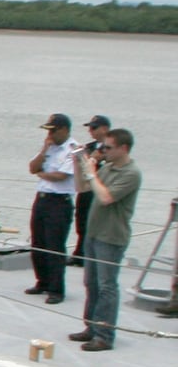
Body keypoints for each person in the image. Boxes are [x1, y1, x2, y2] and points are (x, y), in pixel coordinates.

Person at [70, 128, 140, 352]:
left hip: (111, 237)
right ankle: (91, 327)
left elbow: (106, 197)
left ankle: (104, 335)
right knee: (91, 283)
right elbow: (82, 187)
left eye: (108, 147)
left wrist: (92, 172)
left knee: (107, 286)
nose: (103, 151)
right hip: (93, 234)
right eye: (103, 147)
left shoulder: (131, 173)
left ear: (123, 148)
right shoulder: (108, 167)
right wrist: (79, 164)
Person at [25, 113, 79, 305]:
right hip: (42, 199)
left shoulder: (73, 149)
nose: (50, 135)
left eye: (53, 131)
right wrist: (43, 150)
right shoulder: (49, 147)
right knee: (38, 243)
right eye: (48, 131)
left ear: (64, 130)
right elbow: (32, 167)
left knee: (54, 246)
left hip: (59, 202)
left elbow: (60, 176)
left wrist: (42, 174)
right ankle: (42, 281)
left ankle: (56, 289)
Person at [71, 114, 111, 266]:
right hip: (87, 188)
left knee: (97, 224)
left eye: (94, 128)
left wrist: (98, 158)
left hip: (101, 188)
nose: (91, 131)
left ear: (105, 129)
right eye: (90, 128)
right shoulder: (89, 147)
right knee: (81, 220)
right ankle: (79, 253)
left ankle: (93, 255)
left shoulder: (112, 148)